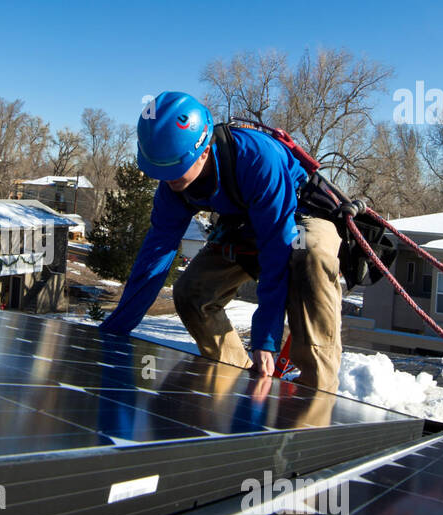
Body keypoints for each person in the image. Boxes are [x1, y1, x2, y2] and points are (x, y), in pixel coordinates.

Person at [99, 91, 345, 391]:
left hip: (298, 218)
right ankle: (239, 383)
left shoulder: (257, 160)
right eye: (159, 172)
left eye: (173, 171)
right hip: (245, 223)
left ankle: (315, 395)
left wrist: (265, 338)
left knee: (312, 255)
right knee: (191, 293)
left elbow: (276, 250)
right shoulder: (173, 185)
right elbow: (155, 256)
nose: (167, 181)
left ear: (203, 151)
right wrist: (115, 329)